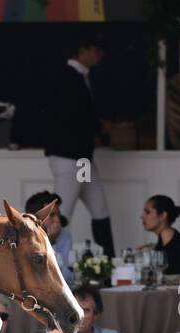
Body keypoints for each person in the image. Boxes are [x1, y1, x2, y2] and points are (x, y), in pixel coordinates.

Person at [43, 36, 114, 257]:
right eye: (95, 48)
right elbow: (72, 115)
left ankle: (110, 263)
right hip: (69, 157)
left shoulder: (78, 77)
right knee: (60, 215)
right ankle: (42, 262)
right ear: (82, 50)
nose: (99, 54)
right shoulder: (68, 78)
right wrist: (99, 127)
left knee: (100, 209)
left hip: (82, 158)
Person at [25, 190, 76, 287]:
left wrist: (51, 242)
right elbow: (34, 276)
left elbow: (67, 276)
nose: (57, 220)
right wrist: (47, 243)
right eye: (52, 215)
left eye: (58, 215)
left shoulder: (64, 235)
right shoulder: (20, 236)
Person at [141, 194, 180, 278]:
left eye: (148, 212)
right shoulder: (167, 236)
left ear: (163, 215)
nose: (142, 216)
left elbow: (174, 272)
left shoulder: (167, 234)